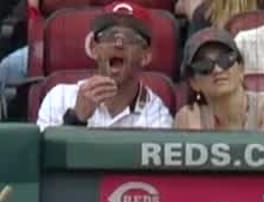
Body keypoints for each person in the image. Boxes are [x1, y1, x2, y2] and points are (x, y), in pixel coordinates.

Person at [34, 1, 173, 131]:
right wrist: (76, 119)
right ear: (94, 48)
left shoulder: (157, 114)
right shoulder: (59, 97)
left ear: (146, 56)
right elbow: (45, 155)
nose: (118, 44)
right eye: (109, 36)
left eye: (130, 38)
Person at [174, 28, 264, 130]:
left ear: (241, 69)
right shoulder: (188, 118)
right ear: (194, 83)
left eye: (225, 59)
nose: (217, 69)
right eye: (204, 64)